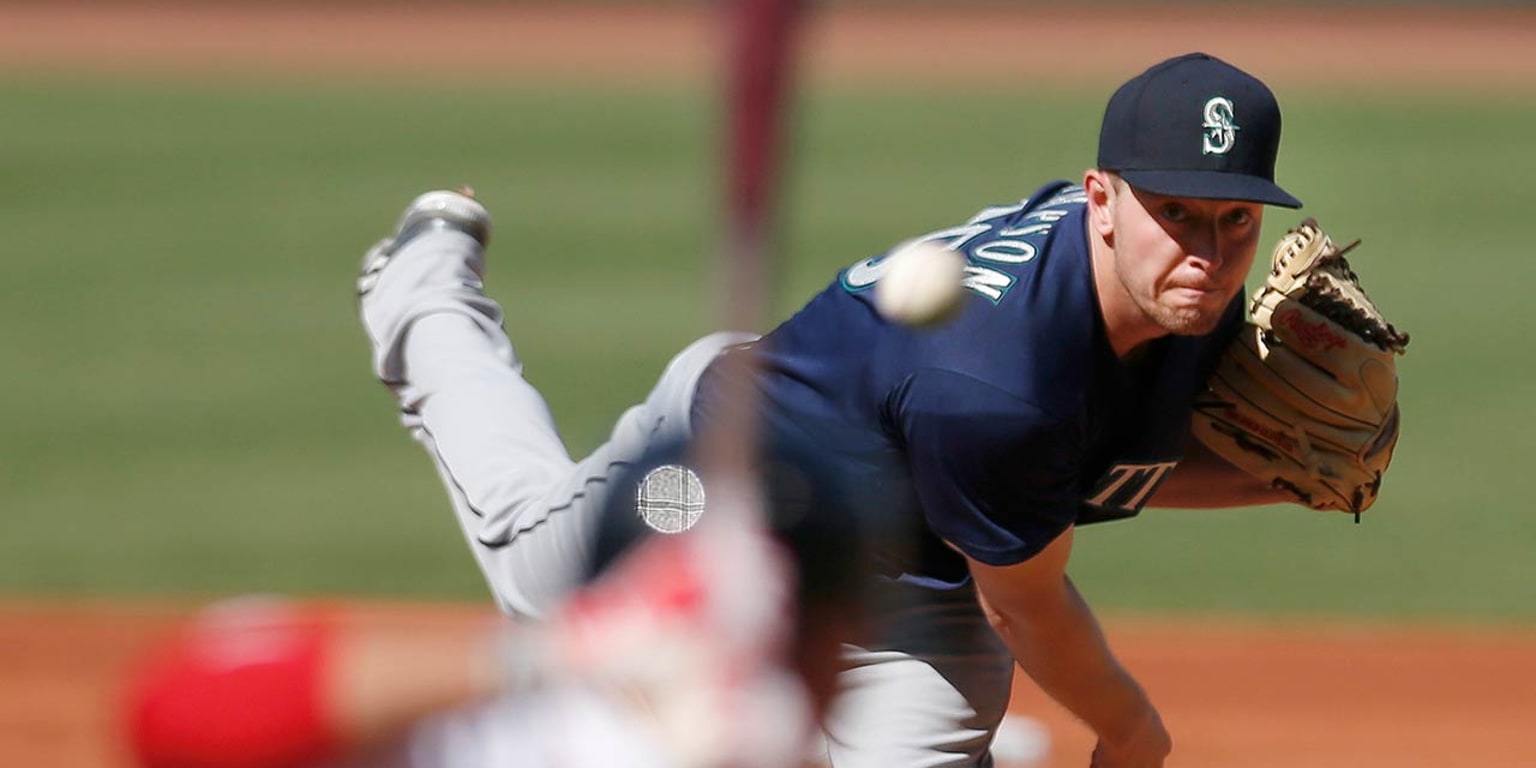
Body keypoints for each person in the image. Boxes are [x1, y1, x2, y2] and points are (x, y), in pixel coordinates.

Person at [355, 51, 1307, 767]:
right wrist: (1129, 725)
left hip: (926, 583)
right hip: (726, 478)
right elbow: (1027, 602)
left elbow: (1077, 470)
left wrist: (1285, 480)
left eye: (1235, 221)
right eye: (1176, 212)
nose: (1209, 251)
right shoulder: (993, 384)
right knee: (540, 569)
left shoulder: (1151, 297)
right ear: (1100, 200)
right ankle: (424, 291)